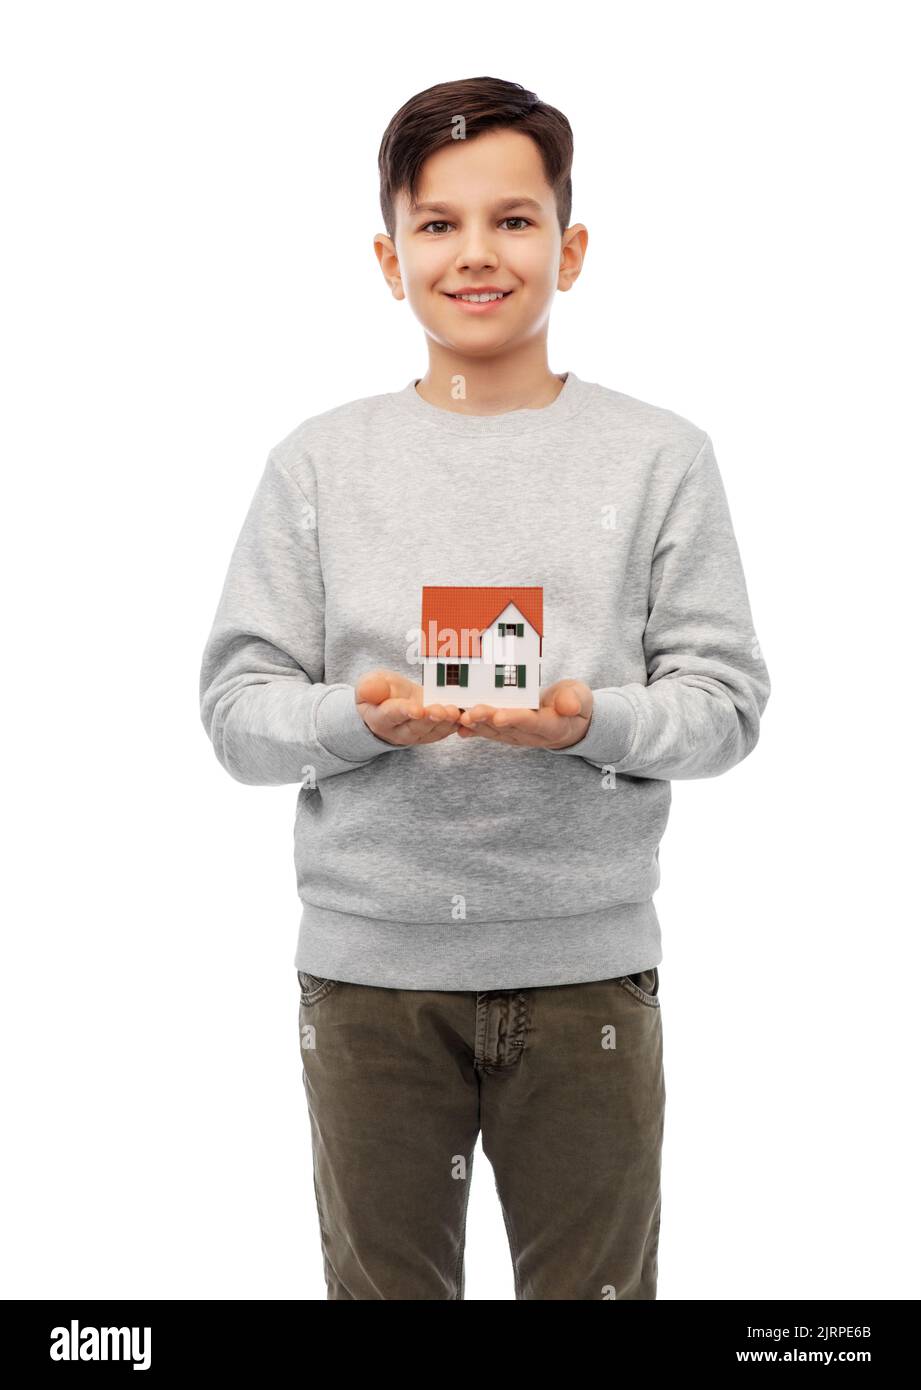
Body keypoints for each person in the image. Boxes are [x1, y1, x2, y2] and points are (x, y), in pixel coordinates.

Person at [198, 75, 771, 1300]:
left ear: (568, 246)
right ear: (388, 253)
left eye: (513, 221)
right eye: (439, 223)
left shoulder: (660, 457)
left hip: (587, 981)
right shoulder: (318, 464)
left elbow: (725, 705)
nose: (476, 254)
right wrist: (353, 719)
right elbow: (238, 714)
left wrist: (591, 719)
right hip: (368, 986)